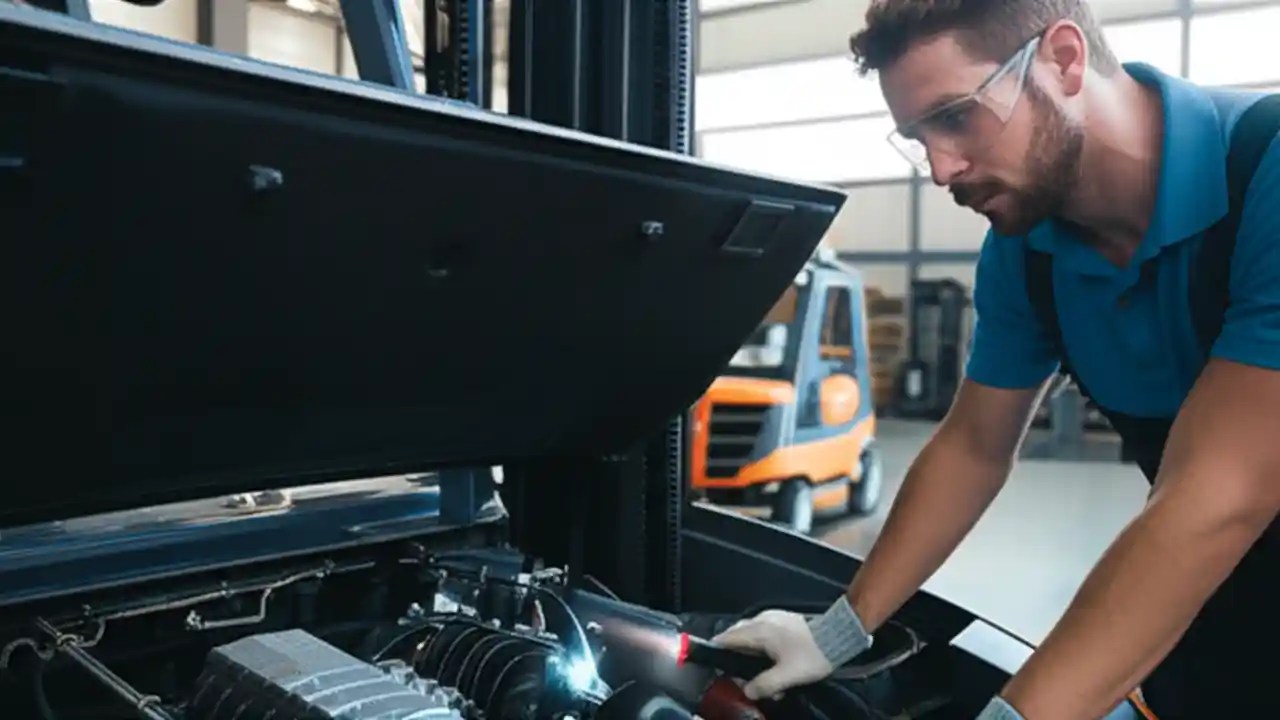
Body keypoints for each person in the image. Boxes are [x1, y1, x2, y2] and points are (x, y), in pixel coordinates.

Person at [711, 1, 1279, 719]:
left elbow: (1219, 495)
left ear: (1065, 60)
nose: (941, 169)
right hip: (1216, 623)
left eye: (956, 115)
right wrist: (837, 632)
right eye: (918, 139)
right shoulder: (1025, 252)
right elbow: (974, 446)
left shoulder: (1268, 170)